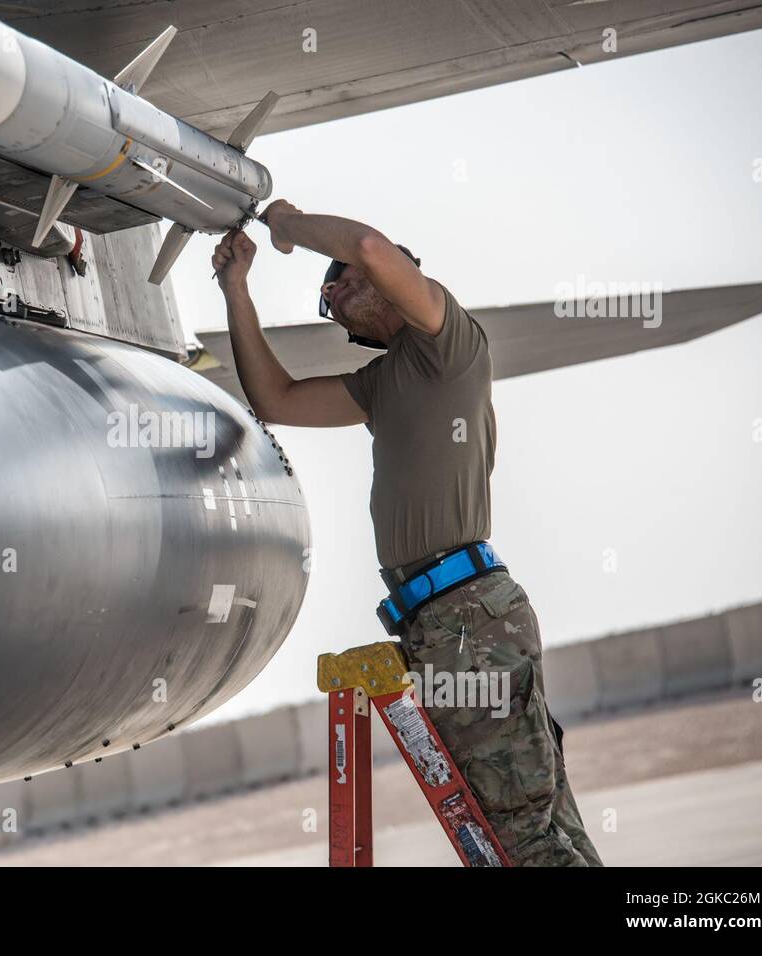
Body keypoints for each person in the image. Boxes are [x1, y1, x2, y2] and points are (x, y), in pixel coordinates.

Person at [210, 200, 603, 866]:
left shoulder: (448, 344)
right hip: (443, 621)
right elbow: (275, 398)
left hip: (467, 619)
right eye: (326, 293)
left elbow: (366, 244)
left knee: (522, 832)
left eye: (338, 281)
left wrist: (289, 226)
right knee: (535, 824)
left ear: (399, 280)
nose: (330, 292)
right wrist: (236, 290)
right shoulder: (385, 382)